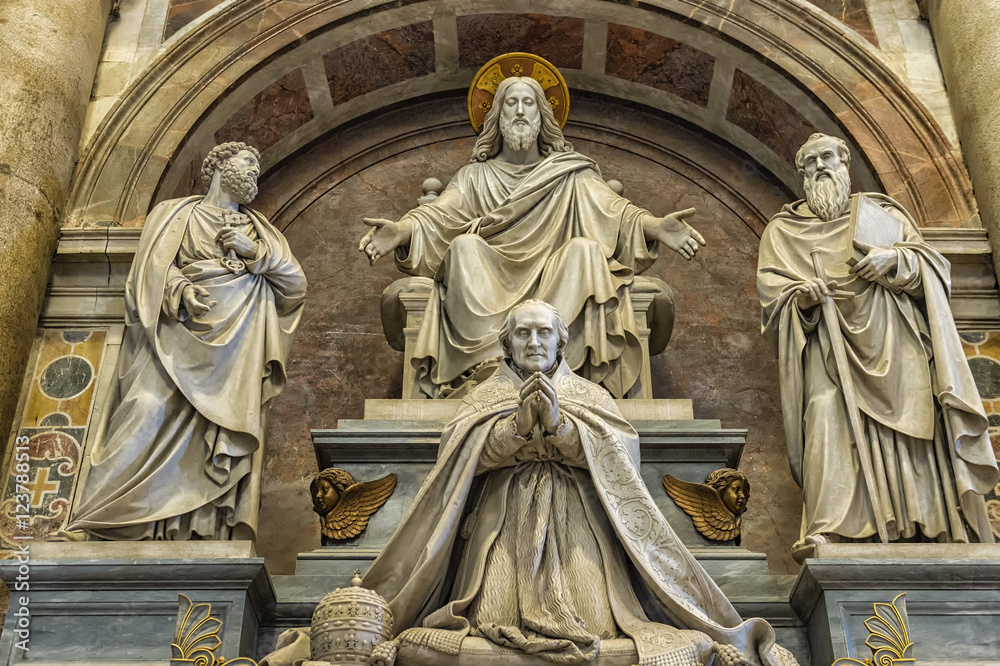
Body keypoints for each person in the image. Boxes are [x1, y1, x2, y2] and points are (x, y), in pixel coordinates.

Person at [354, 300, 796, 666]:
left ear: (560, 341)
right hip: (501, 523)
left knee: (593, 623)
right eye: (523, 333)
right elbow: (458, 462)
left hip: (579, 522)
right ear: (507, 344)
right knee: (493, 618)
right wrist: (515, 429)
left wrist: (562, 428)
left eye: (543, 332)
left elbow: (624, 462)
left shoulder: (592, 395)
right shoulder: (483, 397)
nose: (534, 342)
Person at [359, 75, 704, 398]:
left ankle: (555, 358)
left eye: (529, 103)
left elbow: (615, 211)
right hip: (490, 275)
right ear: (497, 116)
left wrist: (656, 226)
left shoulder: (570, 172)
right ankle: (491, 361)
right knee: (464, 246)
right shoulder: (475, 176)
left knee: (585, 250)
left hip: (557, 276)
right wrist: (401, 231)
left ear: (542, 116)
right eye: (511, 103)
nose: (521, 111)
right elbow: (439, 216)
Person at [757, 132, 999, 561]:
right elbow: (774, 298)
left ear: (845, 164)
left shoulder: (880, 215)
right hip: (828, 348)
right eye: (810, 162)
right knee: (825, 414)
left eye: (827, 157)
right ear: (802, 174)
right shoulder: (782, 232)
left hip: (894, 338)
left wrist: (895, 259)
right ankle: (832, 528)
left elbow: (933, 269)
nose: (820, 166)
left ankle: (930, 526)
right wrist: (804, 297)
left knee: (915, 418)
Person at [67, 142, 307, 540]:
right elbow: (149, 271)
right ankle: (100, 519)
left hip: (234, 354)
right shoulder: (173, 214)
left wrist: (255, 253)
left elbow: (295, 286)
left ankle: (197, 531)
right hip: (172, 337)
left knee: (214, 436)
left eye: (257, 166)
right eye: (248, 161)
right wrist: (179, 289)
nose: (254, 171)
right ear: (219, 164)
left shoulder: (262, 232)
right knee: (144, 410)